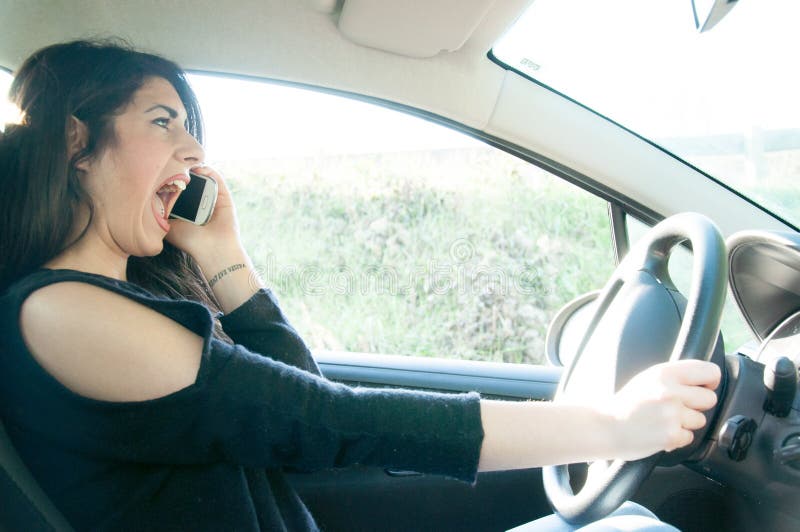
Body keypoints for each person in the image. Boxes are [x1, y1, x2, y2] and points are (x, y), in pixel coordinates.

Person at [0, 40, 720, 531]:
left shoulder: (123, 300)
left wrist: (226, 257)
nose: (193, 152)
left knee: (629, 521)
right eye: (164, 123)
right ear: (75, 143)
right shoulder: (60, 310)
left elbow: (293, 415)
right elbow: (333, 422)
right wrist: (611, 426)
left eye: (191, 129)